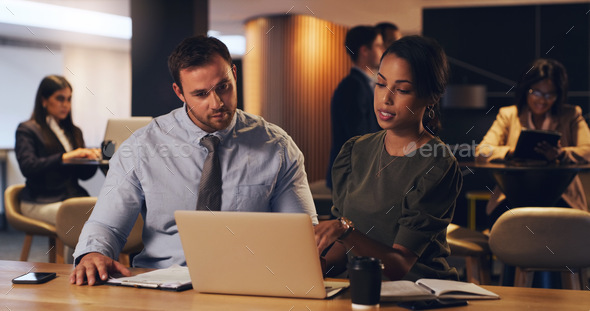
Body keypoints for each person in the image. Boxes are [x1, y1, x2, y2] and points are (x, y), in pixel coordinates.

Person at [71, 36, 318, 285]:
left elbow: (300, 235)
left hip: (248, 282)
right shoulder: (141, 147)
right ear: (179, 92)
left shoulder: (277, 146)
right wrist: (93, 253)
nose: (217, 103)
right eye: (201, 94)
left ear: (234, 74)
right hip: (162, 283)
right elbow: (107, 224)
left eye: (223, 87)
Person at [315, 35, 462, 281]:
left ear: (431, 97)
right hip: (365, 290)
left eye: (402, 89)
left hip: (420, 294)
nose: (386, 99)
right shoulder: (354, 152)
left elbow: (399, 266)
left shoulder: (437, 163)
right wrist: (314, 267)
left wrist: (343, 230)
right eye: (381, 83)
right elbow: (347, 246)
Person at [476, 58, 590, 225]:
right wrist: (511, 152)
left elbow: (588, 150)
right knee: (509, 219)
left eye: (550, 94)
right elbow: (482, 151)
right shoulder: (509, 115)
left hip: (561, 197)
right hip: (513, 195)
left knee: (561, 224)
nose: (542, 100)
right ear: (525, 90)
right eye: (536, 92)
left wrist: (562, 154)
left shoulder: (571, 115)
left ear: (558, 95)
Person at [15, 75, 99, 226]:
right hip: (41, 201)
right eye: (60, 98)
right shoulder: (27, 129)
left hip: (71, 198)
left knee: (110, 216)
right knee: (84, 222)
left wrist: (93, 159)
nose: (66, 104)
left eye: (68, 99)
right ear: (44, 100)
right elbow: (28, 167)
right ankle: (77, 250)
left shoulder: (74, 132)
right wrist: (64, 157)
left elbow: (84, 176)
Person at [327, 25, 385, 189]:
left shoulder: (364, 85)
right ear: (364, 50)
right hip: (353, 177)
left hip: (359, 175)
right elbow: (359, 137)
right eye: (378, 46)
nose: (383, 50)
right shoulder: (353, 86)